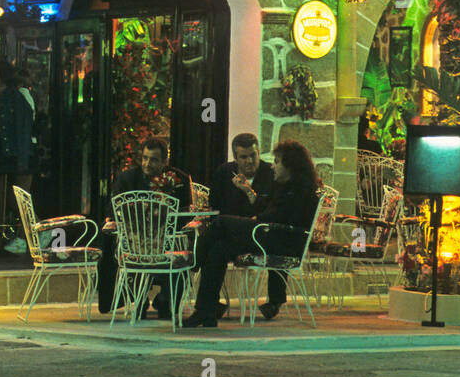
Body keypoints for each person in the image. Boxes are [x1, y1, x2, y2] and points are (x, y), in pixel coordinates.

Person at [183, 140, 321, 327]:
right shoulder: (285, 185)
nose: (273, 166)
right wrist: (257, 209)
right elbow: (272, 210)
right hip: (269, 235)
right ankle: (205, 311)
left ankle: (194, 261)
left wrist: (259, 218)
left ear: (290, 165)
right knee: (218, 249)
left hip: (281, 241)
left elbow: (282, 217)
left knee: (222, 222)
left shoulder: (301, 188)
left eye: (277, 162)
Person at [97, 138, 192, 319]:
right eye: (145, 158)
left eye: (154, 160)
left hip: (168, 238)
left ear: (164, 161)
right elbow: (112, 208)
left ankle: (165, 299)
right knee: (112, 243)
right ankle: (135, 298)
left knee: (185, 244)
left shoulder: (179, 179)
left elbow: (187, 211)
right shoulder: (127, 179)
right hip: (135, 241)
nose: (147, 164)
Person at [209, 133, 274, 216]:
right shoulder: (223, 172)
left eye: (253, 155)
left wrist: (249, 192)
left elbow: (271, 210)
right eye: (244, 157)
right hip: (229, 225)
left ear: (258, 152)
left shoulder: (271, 172)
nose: (250, 161)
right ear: (235, 158)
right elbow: (214, 206)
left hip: (259, 226)